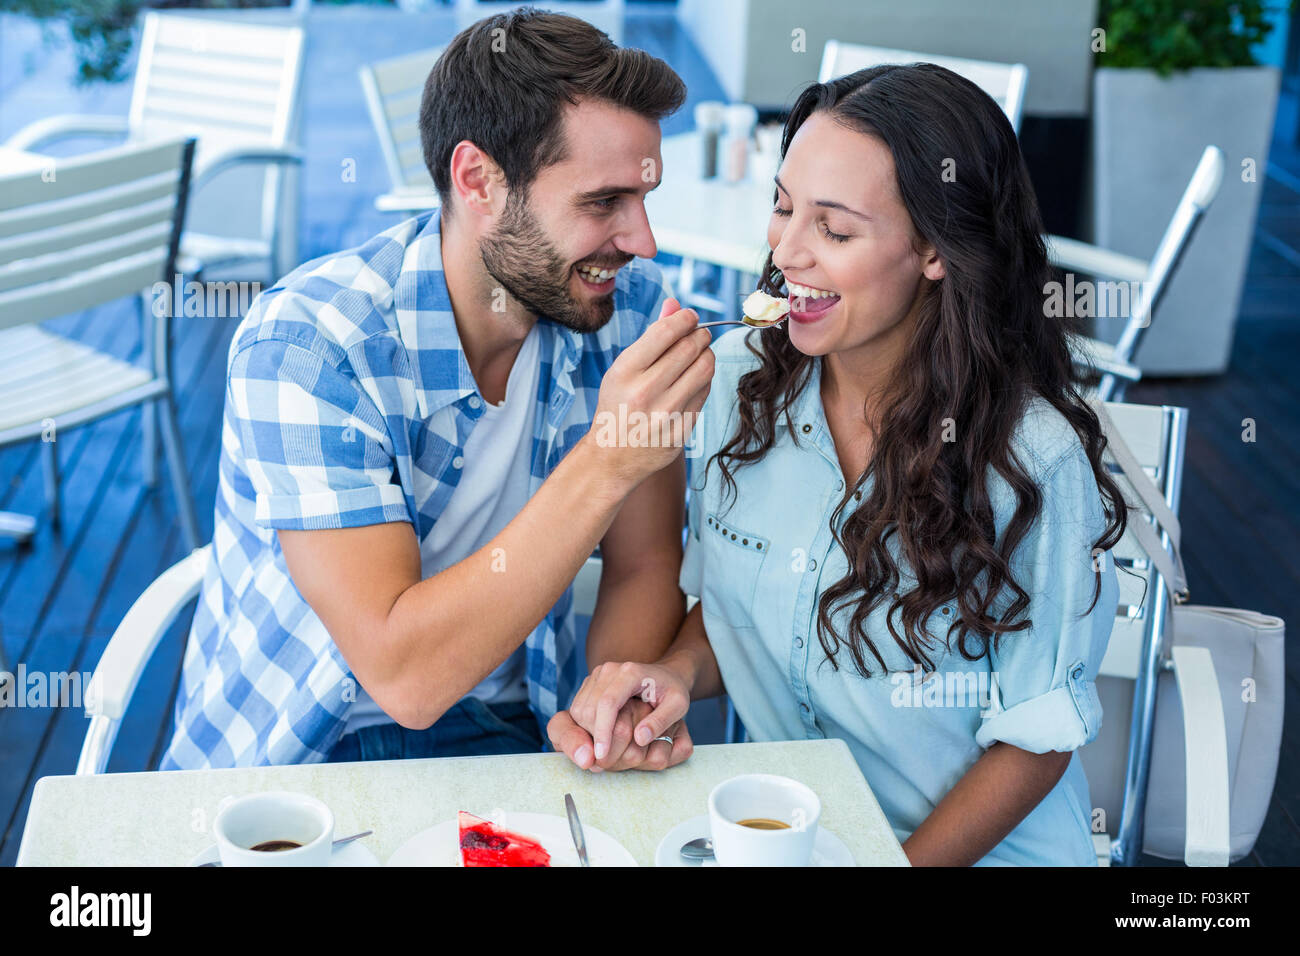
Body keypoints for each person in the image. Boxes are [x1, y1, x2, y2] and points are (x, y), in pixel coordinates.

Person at [548, 64, 1130, 866]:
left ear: (932, 248)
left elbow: (1036, 740)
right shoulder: (734, 385)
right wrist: (673, 672)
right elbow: (734, 613)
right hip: (789, 842)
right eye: (783, 208)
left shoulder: (1032, 460)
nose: (785, 252)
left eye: (835, 229)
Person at [161, 10, 713, 769]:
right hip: (303, 760)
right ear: (478, 181)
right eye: (602, 203)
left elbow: (645, 565)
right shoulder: (309, 347)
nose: (643, 242)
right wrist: (609, 457)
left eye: (644, 199)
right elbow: (405, 681)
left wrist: (614, 704)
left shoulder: (632, 312)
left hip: (516, 729)